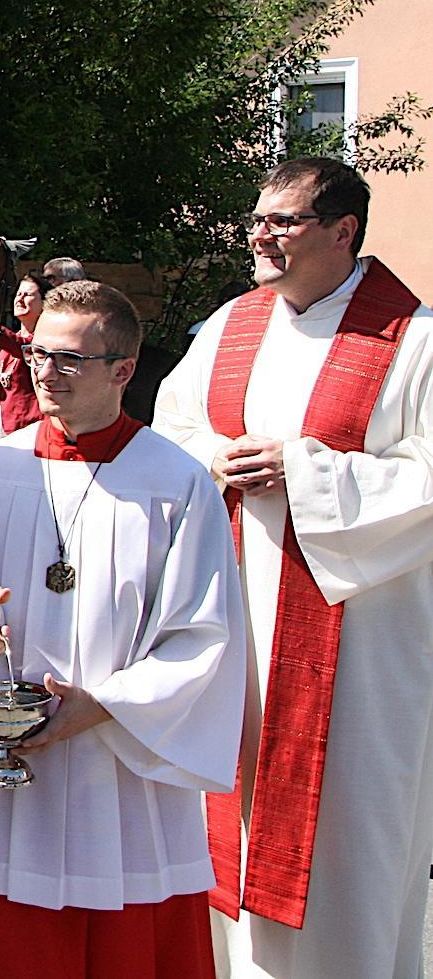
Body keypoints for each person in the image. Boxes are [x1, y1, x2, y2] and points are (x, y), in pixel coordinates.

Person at [0, 280, 245, 979]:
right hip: (21, 770)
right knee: (20, 942)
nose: (43, 371)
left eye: (68, 359)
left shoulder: (176, 483)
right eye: (36, 353)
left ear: (122, 369)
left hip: (121, 761)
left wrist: (103, 705)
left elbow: (205, 633)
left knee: (130, 932)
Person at [152, 157, 433, 978]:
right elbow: (170, 433)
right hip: (235, 621)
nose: (259, 235)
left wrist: (306, 472)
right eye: (257, 218)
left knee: (348, 831)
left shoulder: (411, 341)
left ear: (343, 231)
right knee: (230, 817)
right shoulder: (233, 324)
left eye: (283, 221)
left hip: (361, 652)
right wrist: (213, 458)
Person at [0, 272, 50, 447]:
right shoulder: (10, 342)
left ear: (44, 304)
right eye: (18, 294)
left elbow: (25, 347)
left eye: (28, 295)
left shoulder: (44, 343)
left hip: (27, 437)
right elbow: (3, 390)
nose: (20, 299)